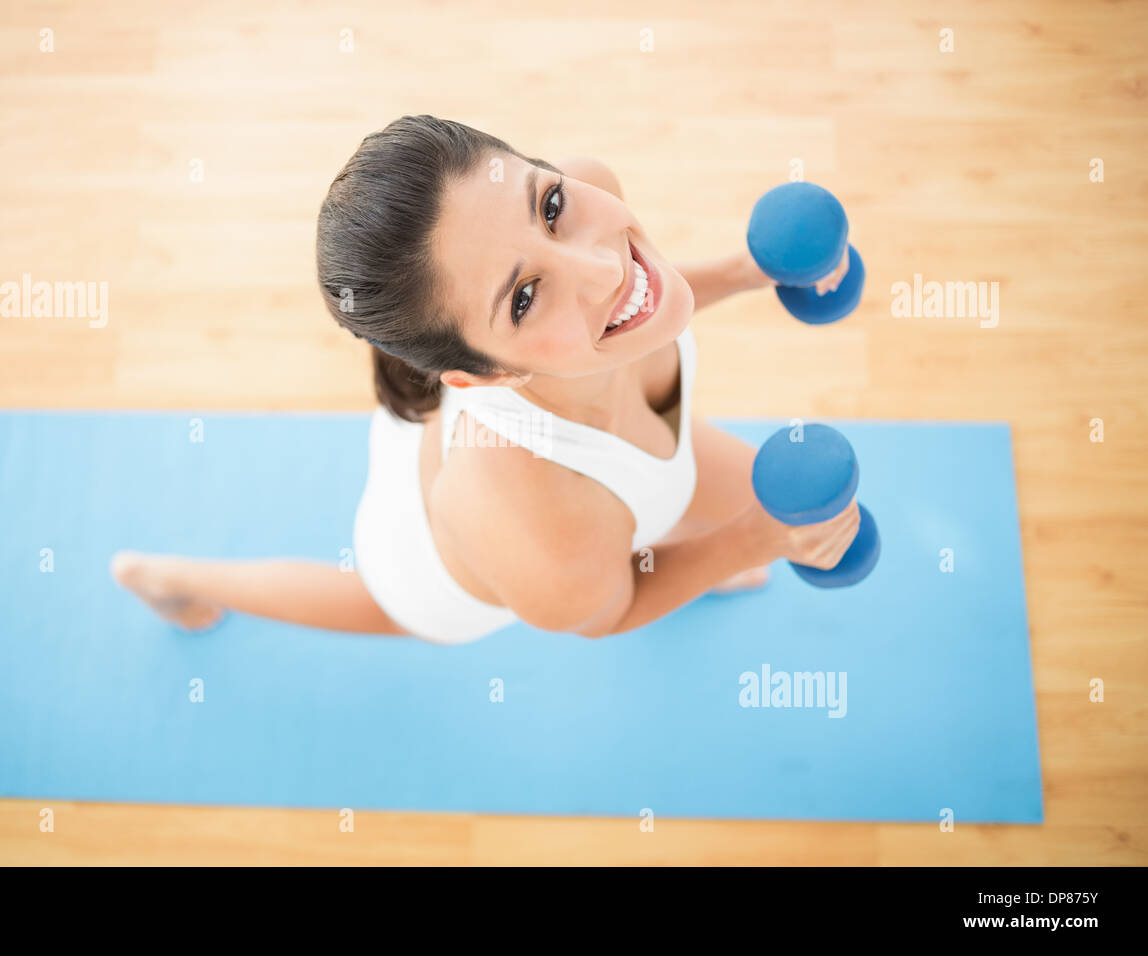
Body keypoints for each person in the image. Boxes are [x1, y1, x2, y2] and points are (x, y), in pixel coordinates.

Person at [112, 115, 858, 643]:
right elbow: (612, 612)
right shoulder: (538, 533)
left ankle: (663, 536)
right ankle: (168, 574)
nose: (604, 265)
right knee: (379, 608)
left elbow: (643, 292)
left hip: (580, 429)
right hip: (452, 555)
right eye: (526, 296)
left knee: (678, 509)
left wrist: (748, 270)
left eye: (550, 206)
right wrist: (748, 542)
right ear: (480, 372)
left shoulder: (593, 202)